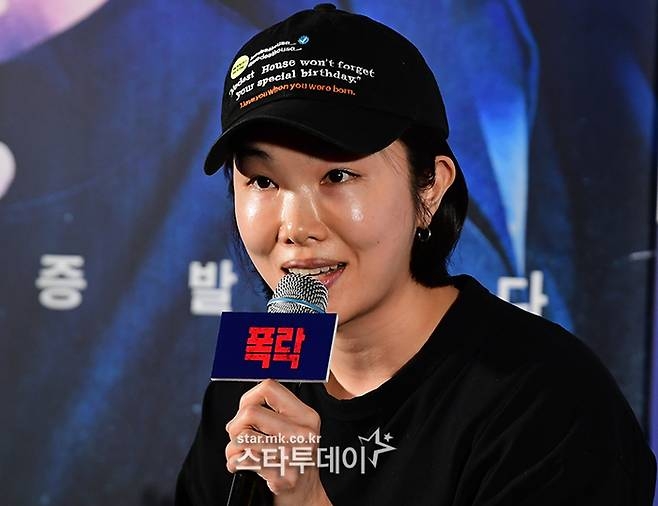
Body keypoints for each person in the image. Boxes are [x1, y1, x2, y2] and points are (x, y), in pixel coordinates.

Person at [175, 4, 656, 505]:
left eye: (338, 176)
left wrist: (306, 499)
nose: (296, 228)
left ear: (429, 188)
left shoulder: (548, 401)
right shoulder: (250, 388)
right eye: (263, 181)